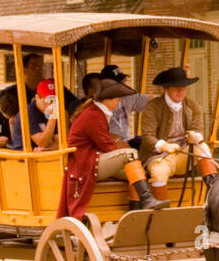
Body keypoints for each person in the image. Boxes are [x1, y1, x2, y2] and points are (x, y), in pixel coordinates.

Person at [58, 79, 168, 218]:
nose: (119, 101)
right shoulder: (94, 115)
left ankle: (135, 210)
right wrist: (123, 151)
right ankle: (146, 200)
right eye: (117, 98)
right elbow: (106, 146)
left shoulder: (95, 110)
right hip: (85, 164)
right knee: (131, 155)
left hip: (92, 159)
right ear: (107, 100)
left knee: (135, 168)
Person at [139, 66, 218, 200]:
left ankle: (215, 191)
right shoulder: (153, 107)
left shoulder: (193, 107)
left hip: (183, 155)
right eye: (177, 88)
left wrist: (195, 137)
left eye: (184, 88)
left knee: (203, 149)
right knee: (159, 173)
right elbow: (147, 136)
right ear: (166, 88)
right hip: (159, 157)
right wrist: (164, 146)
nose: (181, 92)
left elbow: (197, 129)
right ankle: (162, 212)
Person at [99, 63, 151, 148]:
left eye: (123, 80)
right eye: (118, 82)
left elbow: (152, 102)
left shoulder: (127, 96)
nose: (123, 84)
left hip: (127, 142)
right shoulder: (98, 105)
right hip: (108, 145)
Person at [22, 51, 79, 121]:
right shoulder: (15, 93)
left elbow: (77, 105)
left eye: (41, 66)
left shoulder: (54, 87)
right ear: (24, 70)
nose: (39, 70)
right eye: (34, 67)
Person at [10, 79, 61, 151]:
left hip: (43, 155)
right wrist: (53, 116)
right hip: (23, 156)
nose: (51, 104)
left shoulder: (50, 111)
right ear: (37, 98)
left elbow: (60, 140)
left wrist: (50, 148)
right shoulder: (28, 112)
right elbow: (43, 143)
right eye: (47, 100)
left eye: (54, 100)